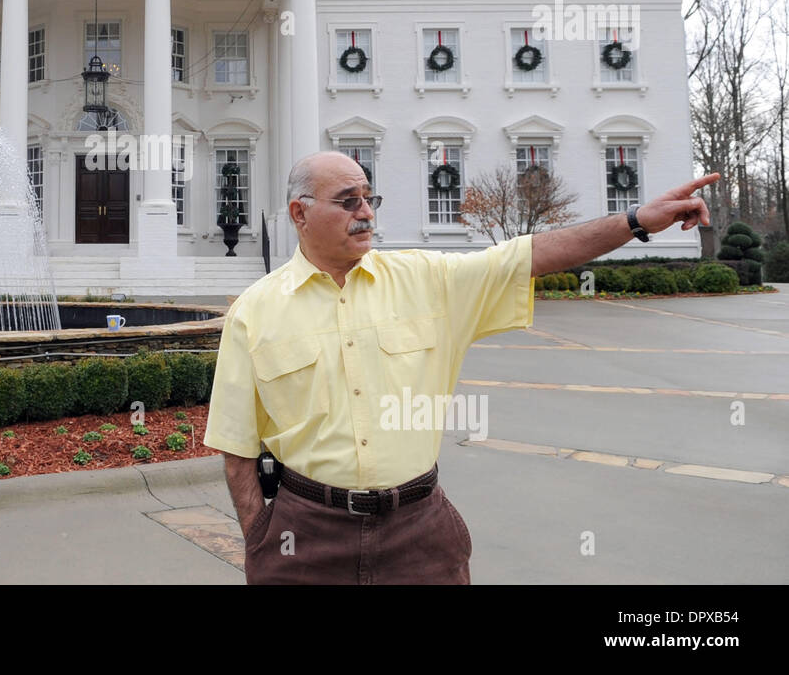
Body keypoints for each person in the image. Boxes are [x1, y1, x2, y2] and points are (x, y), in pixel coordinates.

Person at [204, 150, 717, 584]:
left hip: (419, 535)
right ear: (299, 212)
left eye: (369, 198)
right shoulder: (255, 311)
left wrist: (635, 222)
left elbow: (531, 255)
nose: (365, 213)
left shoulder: (429, 280)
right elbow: (236, 448)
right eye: (347, 201)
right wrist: (260, 545)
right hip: (304, 538)